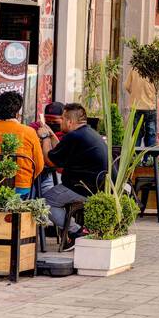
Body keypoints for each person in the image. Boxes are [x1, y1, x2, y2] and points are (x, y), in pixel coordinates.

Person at [42, 103, 108, 244]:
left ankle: (77, 231)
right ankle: (75, 232)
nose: (59, 122)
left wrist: (44, 138)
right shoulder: (87, 133)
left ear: (69, 121)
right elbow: (59, 151)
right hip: (98, 187)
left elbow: (51, 161)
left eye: (62, 118)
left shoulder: (74, 137)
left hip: (82, 188)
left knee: (44, 202)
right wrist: (52, 135)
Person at [0, 92, 45, 196]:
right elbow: (39, 165)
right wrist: (26, 180)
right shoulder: (29, 132)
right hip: (22, 190)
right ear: (18, 112)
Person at [125, 68, 158, 147]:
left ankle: (135, 157)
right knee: (151, 134)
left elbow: (127, 86)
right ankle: (149, 158)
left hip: (136, 107)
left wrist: (135, 94)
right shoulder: (155, 68)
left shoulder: (134, 68)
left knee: (137, 134)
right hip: (150, 107)